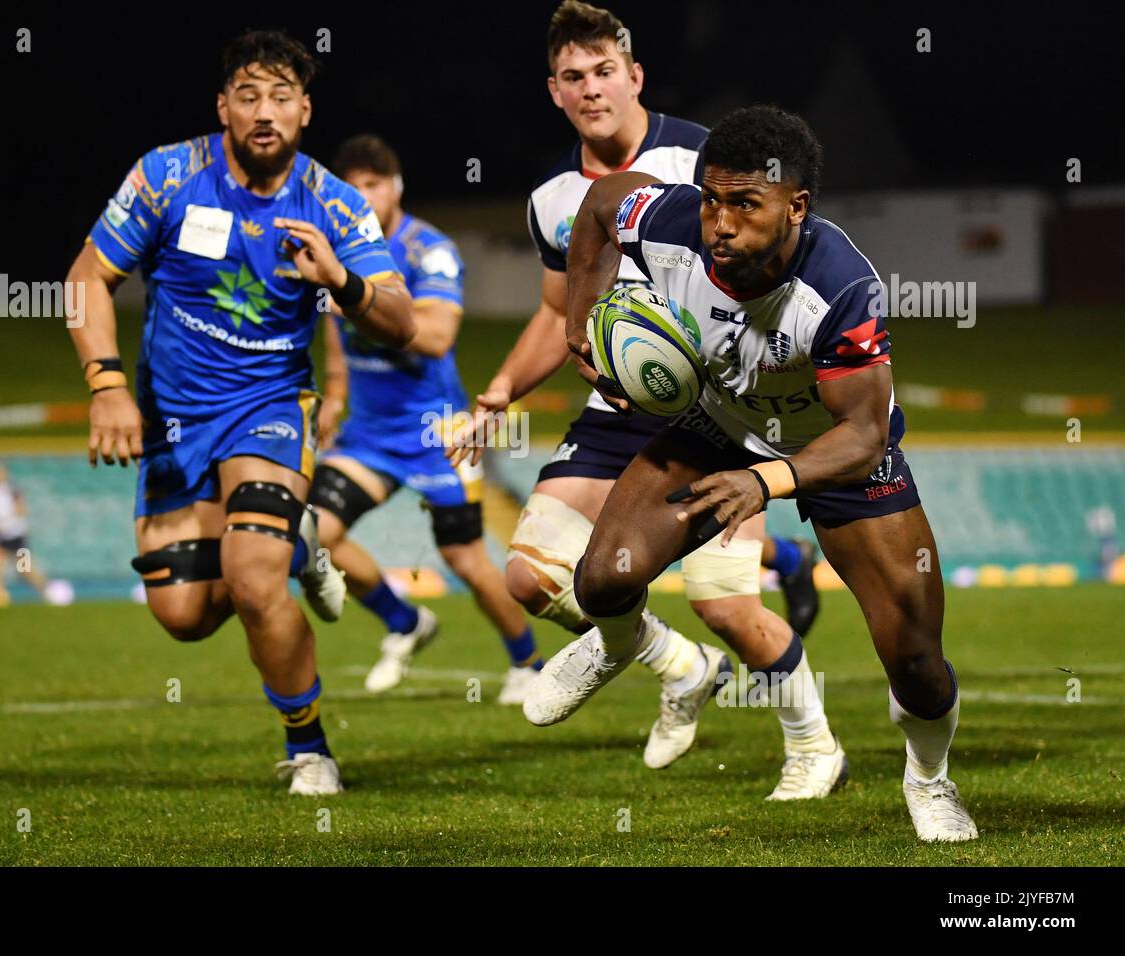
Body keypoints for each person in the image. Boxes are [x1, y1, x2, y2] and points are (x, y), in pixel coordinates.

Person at [530, 104, 977, 841]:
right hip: (720, 425)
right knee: (602, 580)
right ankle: (616, 645)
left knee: (918, 662)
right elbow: (602, 204)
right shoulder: (669, 221)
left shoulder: (840, 287)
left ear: (796, 207)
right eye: (711, 199)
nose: (719, 223)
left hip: (833, 451)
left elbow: (862, 433)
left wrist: (767, 482)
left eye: (745, 204)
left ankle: (929, 780)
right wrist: (581, 322)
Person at [449, 1, 833, 787]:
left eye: (603, 72)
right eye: (572, 78)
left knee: (724, 604)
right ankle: (679, 667)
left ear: (635, 76)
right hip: (615, 412)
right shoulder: (551, 197)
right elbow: (558, 313)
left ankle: (812, 744)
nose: (590, 89)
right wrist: (496, 395)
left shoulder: (703, 161)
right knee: (530, 577)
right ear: (554, 91)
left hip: (717, 410)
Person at [64, 29, 415, 796]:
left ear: (306, 111)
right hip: (171, 418)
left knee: (252, 578)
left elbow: (401, 318)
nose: (265, 113)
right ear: (223, 107)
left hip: (268, 409)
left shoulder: (333, 202)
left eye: (282, 98)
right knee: (184, 615)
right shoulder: (165, 176)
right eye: (249, 96)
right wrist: (107, 386)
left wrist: (341, 282)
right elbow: (86, 278)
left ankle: (309, 748)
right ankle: (302, 543)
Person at [310, 135, 539, 704]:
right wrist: (334, 396)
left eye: (373, 185)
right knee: (312, 536)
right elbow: (334, 337)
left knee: (464, 558)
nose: (363, 197)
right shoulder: (335, 250)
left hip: (435, 433)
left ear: (396, 189)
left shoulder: (427, 250)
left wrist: (364, 301)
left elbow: (436, 339)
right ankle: (405, 622)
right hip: (367, 435)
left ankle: (528, 663)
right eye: (353, 187)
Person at [0, 462, 54, 603]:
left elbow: (21, 510)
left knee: (25, 570)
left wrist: (5, 520)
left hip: (16, 536)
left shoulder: (11, 491)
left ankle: (48, 591)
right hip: (1, 538)